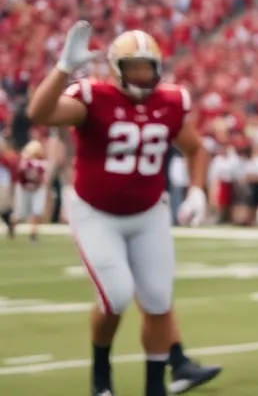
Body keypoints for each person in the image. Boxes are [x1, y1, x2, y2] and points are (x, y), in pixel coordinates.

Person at [27, 22, 212, 396]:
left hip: (149, 212)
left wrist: (196, 190)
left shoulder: (172, 101)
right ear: (116, 68)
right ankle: (100, 374)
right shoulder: (93, 98)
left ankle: (155, 385)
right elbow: (39, 112)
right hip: (97, 212)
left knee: (159, 300)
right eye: (134, 67)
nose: (142, 75)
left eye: (148, 67)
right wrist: (63, 67)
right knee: (115, 294)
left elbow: (195, 148)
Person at [13, 139, 50, 241]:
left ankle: (33, 232)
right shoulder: (24, 162)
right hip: (25, 188)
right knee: (21, 214)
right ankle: (12, 224)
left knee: (36, 211)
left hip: (35, 189)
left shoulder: (41, 163)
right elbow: (19, 176)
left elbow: (43, 179)